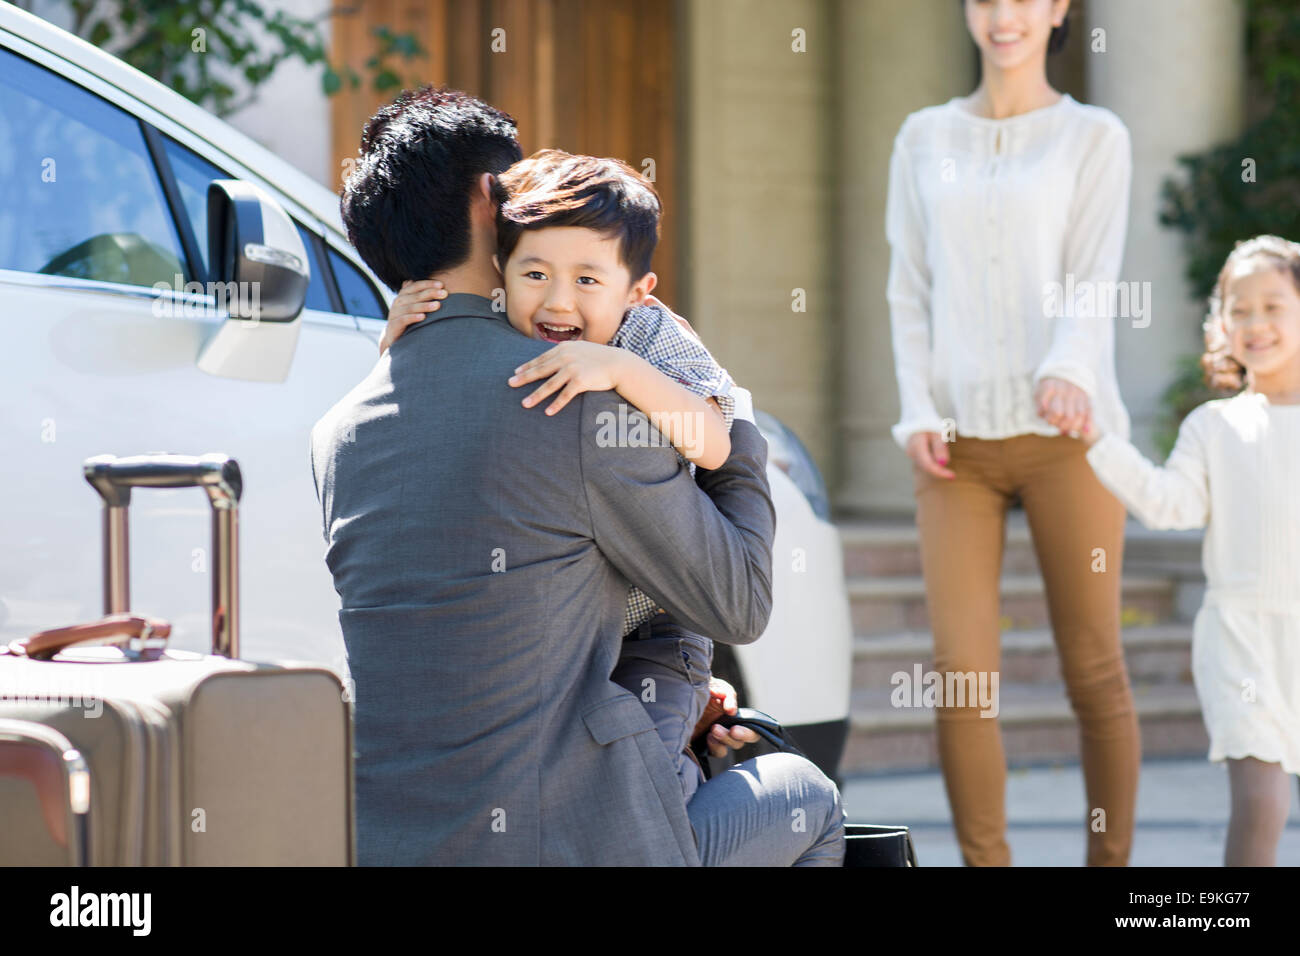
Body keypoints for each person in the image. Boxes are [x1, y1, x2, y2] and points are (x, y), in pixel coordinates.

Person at [309, 84, 845, 865]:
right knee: (809, 800)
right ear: (494, 205)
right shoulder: (579, 396)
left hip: (396, 843)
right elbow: (741, 601)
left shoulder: (340, 430)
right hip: (570, 840)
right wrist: (738, 424)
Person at [385, 148, 743, 804]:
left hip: (651, 626)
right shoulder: (495, 326)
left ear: (637, 291)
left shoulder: (649, 337)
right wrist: (397, 335)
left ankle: (706, 785)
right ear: (501, 272)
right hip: (557, 625)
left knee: (644, 787)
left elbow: (716, 443)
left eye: (587, 281)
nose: (557, 301)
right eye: (536, 274)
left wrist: (620, 372)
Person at [884, 0, 1140, 865]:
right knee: (961, 680)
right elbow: (907, 288)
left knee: (1095, 671)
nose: (1005, 16)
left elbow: (1095, 275)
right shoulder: (922, 137)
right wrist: (917, 407)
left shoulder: (1094, 136)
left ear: (1060, 8)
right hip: (953, 450)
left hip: (1071, 437)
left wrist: (1068, 366)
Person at [1082, 235, 1300, 867]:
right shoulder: (1214, 426)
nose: (1254, 323)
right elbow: (1168, 504)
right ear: (1221, 325)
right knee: (1261, 802)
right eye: (1239, 309)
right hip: (1239, 638)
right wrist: (1100, 440)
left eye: (1272, 306)